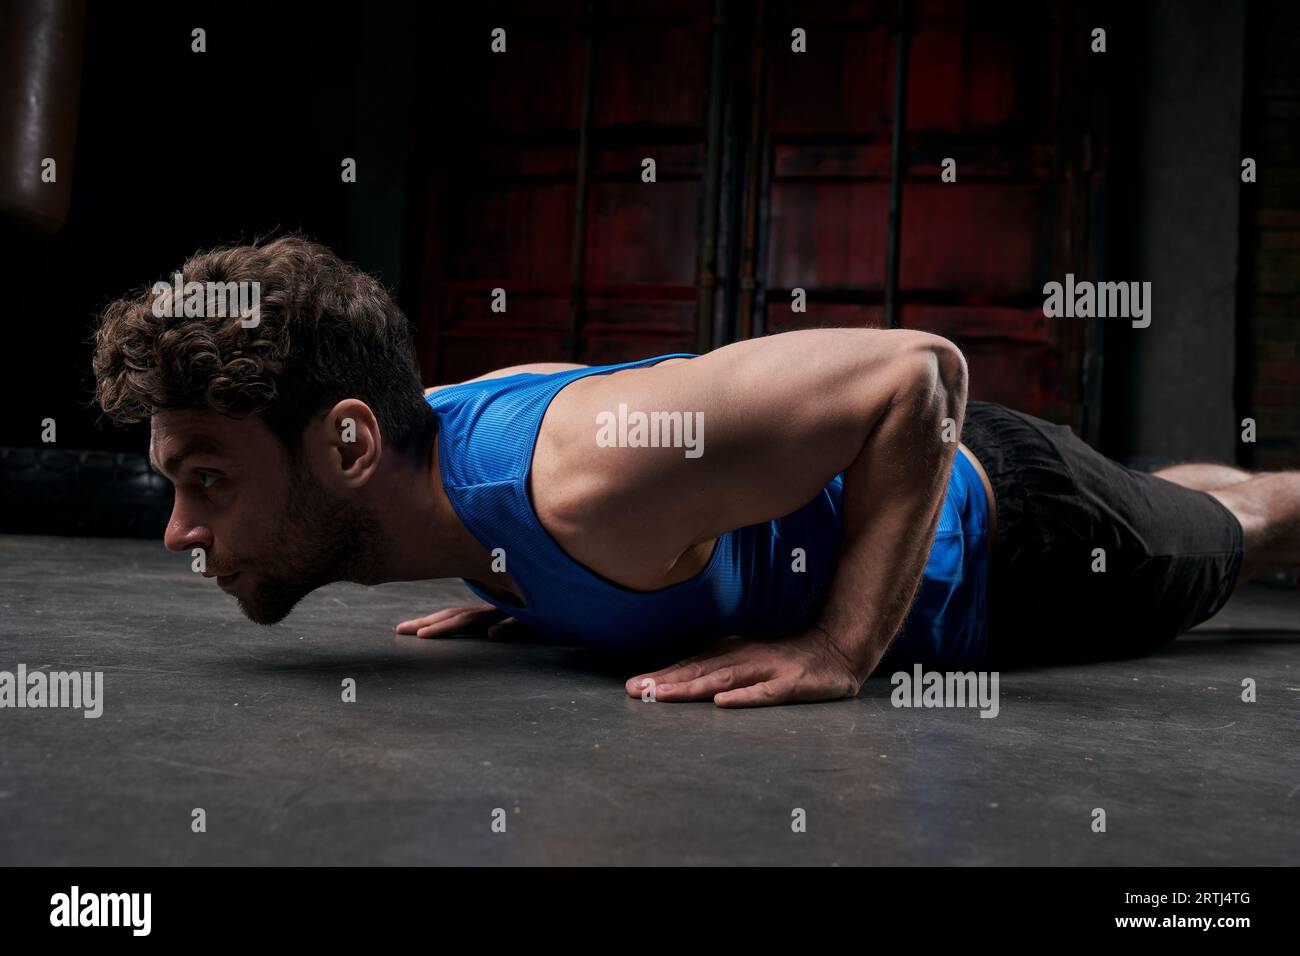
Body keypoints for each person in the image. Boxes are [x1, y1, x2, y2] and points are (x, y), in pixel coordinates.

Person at [92, 237, 1299, 707]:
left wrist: (837, 649)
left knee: (1246, 525)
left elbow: (915, 375)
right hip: (941, 474)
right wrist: (515, 577)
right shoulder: (440, 474)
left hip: (1016, 542)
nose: (180, 530)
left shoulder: (579, 476)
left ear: (345, 444)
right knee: (1186, 488)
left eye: (207, 479)